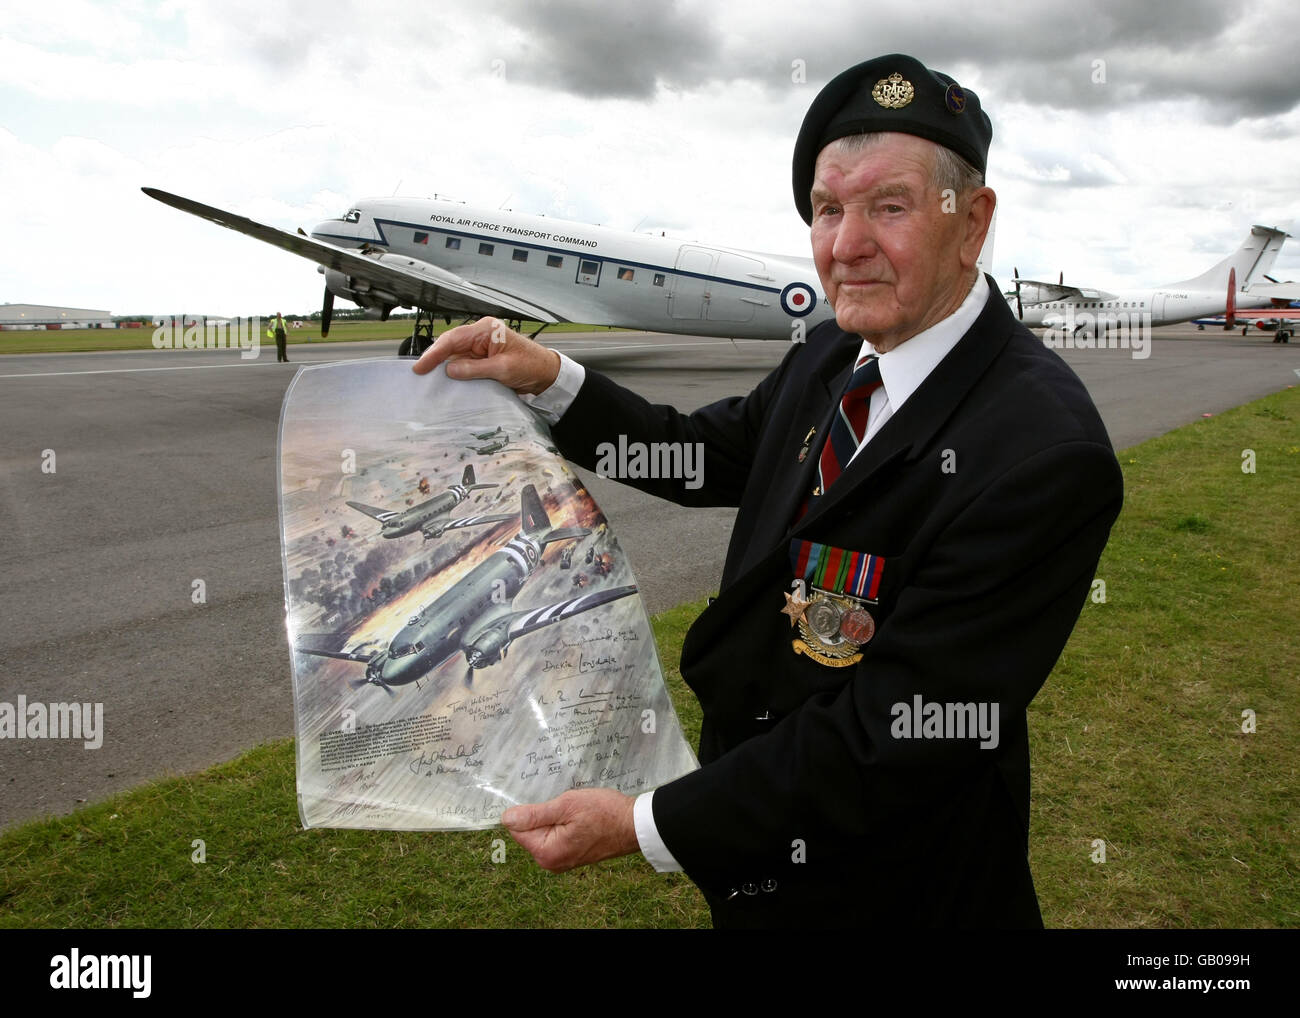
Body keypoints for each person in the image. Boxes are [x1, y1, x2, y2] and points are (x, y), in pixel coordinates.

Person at [413, 54, 1123, 928]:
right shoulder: (832, 355)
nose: (846, 244)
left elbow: (894, 734)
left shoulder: (1042, 453)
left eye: (889, 207)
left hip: (897, 888)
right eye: (828, 209)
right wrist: (549, 377)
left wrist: (646, 821)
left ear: (971, 222)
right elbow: (698, 455)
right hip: (761, 851)